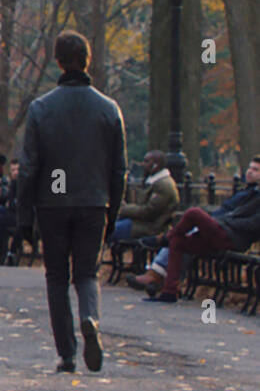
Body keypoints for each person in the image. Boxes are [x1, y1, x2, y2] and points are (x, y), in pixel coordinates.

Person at [18, 30, 127, 373]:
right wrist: (113, 209)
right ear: (88, 60)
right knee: (87, 273)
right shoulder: (109, 110)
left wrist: (24, 215)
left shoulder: (41, 109)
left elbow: (29, 167)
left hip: (53, 201)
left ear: (58, 61)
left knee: (56, 277)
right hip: (94, 200)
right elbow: (119, 169)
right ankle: (90, 317)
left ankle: (66, 351)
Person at [130, 155, 260, 301]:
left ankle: (165, 238)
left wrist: (225, 221)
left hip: (232, 237)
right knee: (178, 241)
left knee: (193, 213)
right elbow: (226, 211)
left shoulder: (256, 195)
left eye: (255, 170)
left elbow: (254, 225)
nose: (249, 171)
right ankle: (170, 292)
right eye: (249, 168)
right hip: (219, 230)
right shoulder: (248, 191)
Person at [112, 150, 178, 241]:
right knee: (108, 226)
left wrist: (123, 209)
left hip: (149, 228)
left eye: (146, 161)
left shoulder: (163, 186)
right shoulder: (154, 182)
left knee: (108, 231)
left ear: (156, 165)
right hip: (141, 224)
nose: (143, 164)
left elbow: (148, 212)